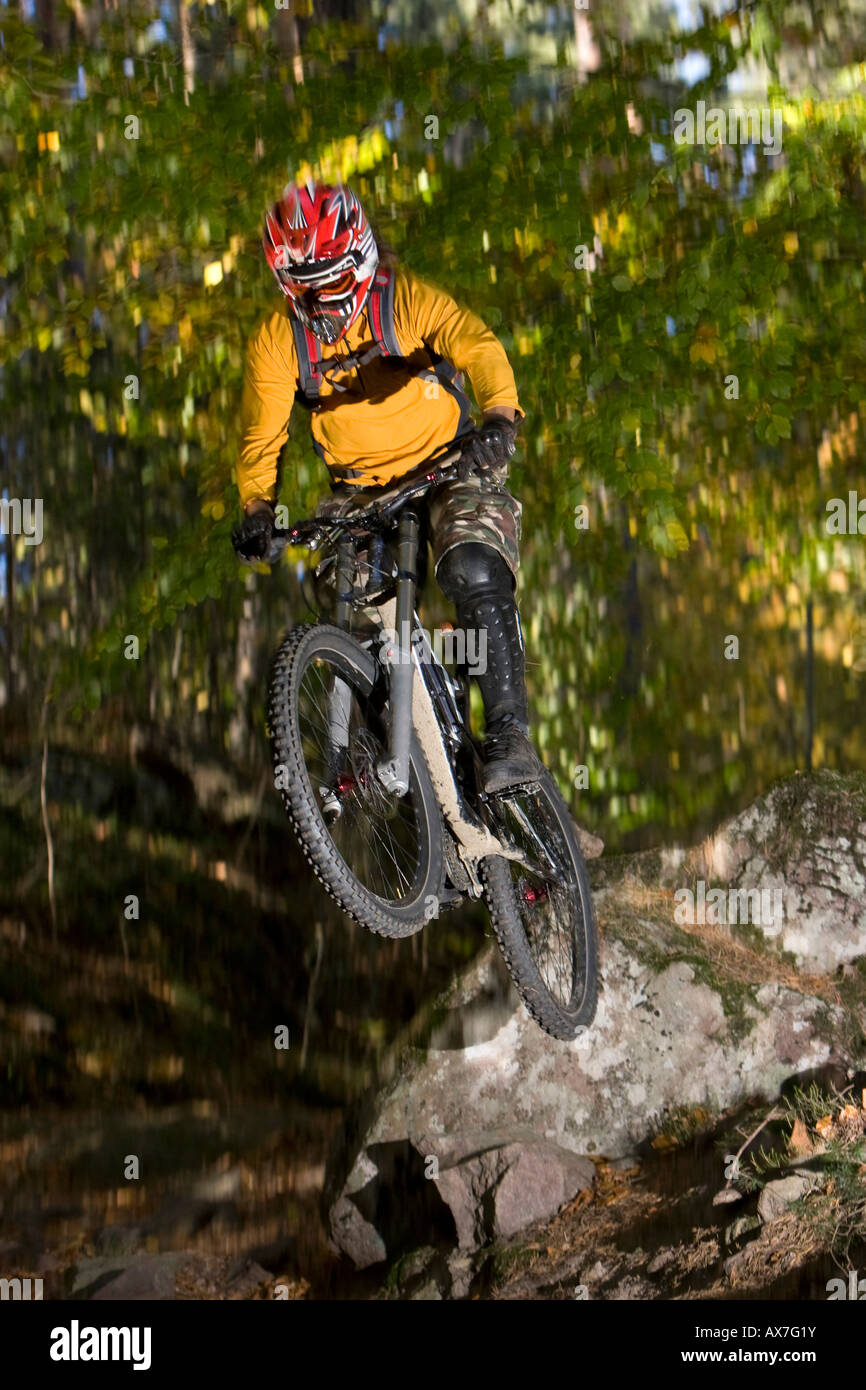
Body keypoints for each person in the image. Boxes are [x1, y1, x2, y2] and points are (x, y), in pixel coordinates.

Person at [232, 179, 543, 793]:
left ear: (357, 263)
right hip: (362, 488)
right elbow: (261, 436)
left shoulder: (402, 302)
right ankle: (399, 765)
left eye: (322, 285)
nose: (313, 305)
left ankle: (511, 737)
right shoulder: (277, 342)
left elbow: (475, 344)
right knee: (351, 594)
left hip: (451, 460)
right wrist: (255, 507)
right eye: (297, 289)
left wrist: (500, 417)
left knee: (473, 565)